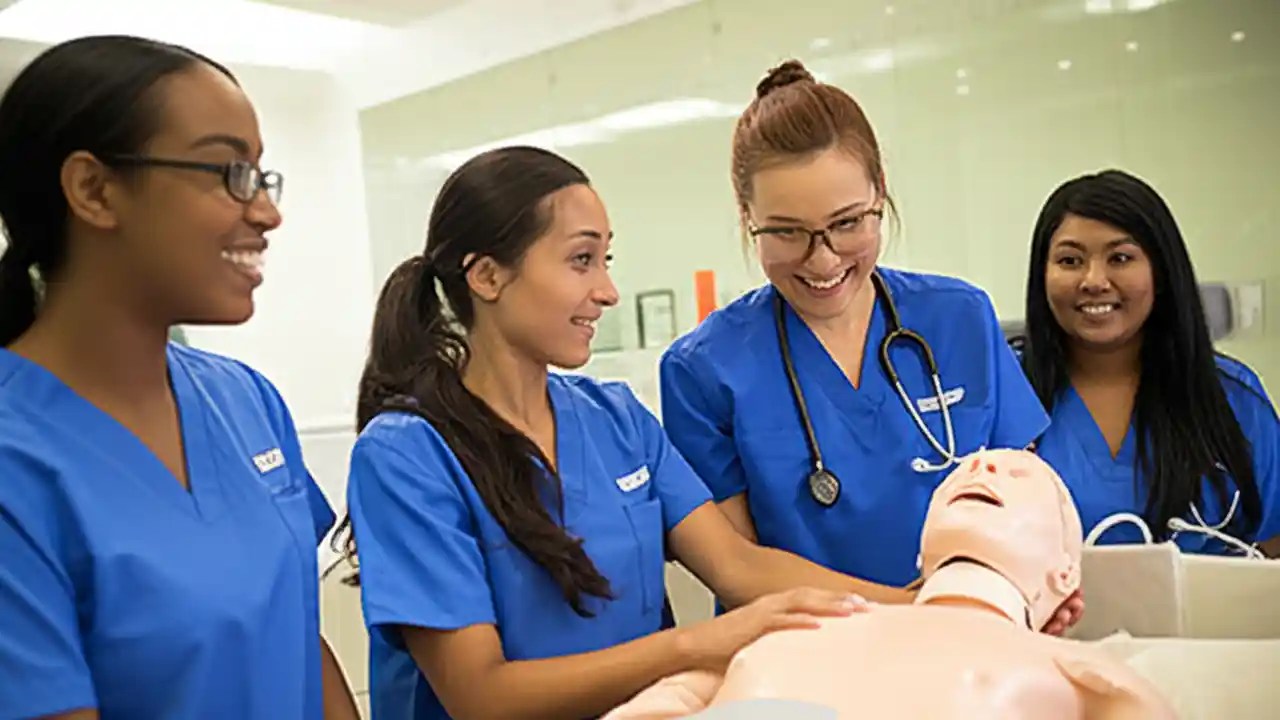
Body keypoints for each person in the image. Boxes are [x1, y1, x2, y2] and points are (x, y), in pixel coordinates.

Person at [336, 145, 884, 720]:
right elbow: (481, 695)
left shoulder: (616, 419)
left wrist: (914, 606)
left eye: (606, 260)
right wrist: (691, 646)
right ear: (488, 275)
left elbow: (738, 567)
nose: (608, 291)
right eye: (581, 261)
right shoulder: (406, 457)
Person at [0, 36, 358, 719]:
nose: (265, 211)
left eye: (260, 174)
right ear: (94, 190)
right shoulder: (16, 459)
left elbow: (294, 636)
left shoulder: (246, 401)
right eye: (227, 171)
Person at [657, 59, 1081, 631]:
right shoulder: (703, 370)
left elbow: (1023, 504)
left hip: (971, 640)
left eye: (848, 223)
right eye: (786, 231)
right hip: (806, 654)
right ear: (746, 217)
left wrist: (1027, 590)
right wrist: (922, 610)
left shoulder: (958, 318)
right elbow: (741, 568)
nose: (824, 259)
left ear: (881, 194)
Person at [603, 449, 1177, 719]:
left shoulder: (1077, 670)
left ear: (1065, 571)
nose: (983, 467)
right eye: (961, 473)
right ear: (921, 552)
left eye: (1021, 475)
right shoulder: (797, 626)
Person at [1021, 169, 1279, 557]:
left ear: (1161, 272)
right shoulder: (1004, 393)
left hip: (1211, 617)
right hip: (1037, 619)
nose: (1094, 280)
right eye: (1070, 260)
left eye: (1120, 258)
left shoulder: (1232, 396)